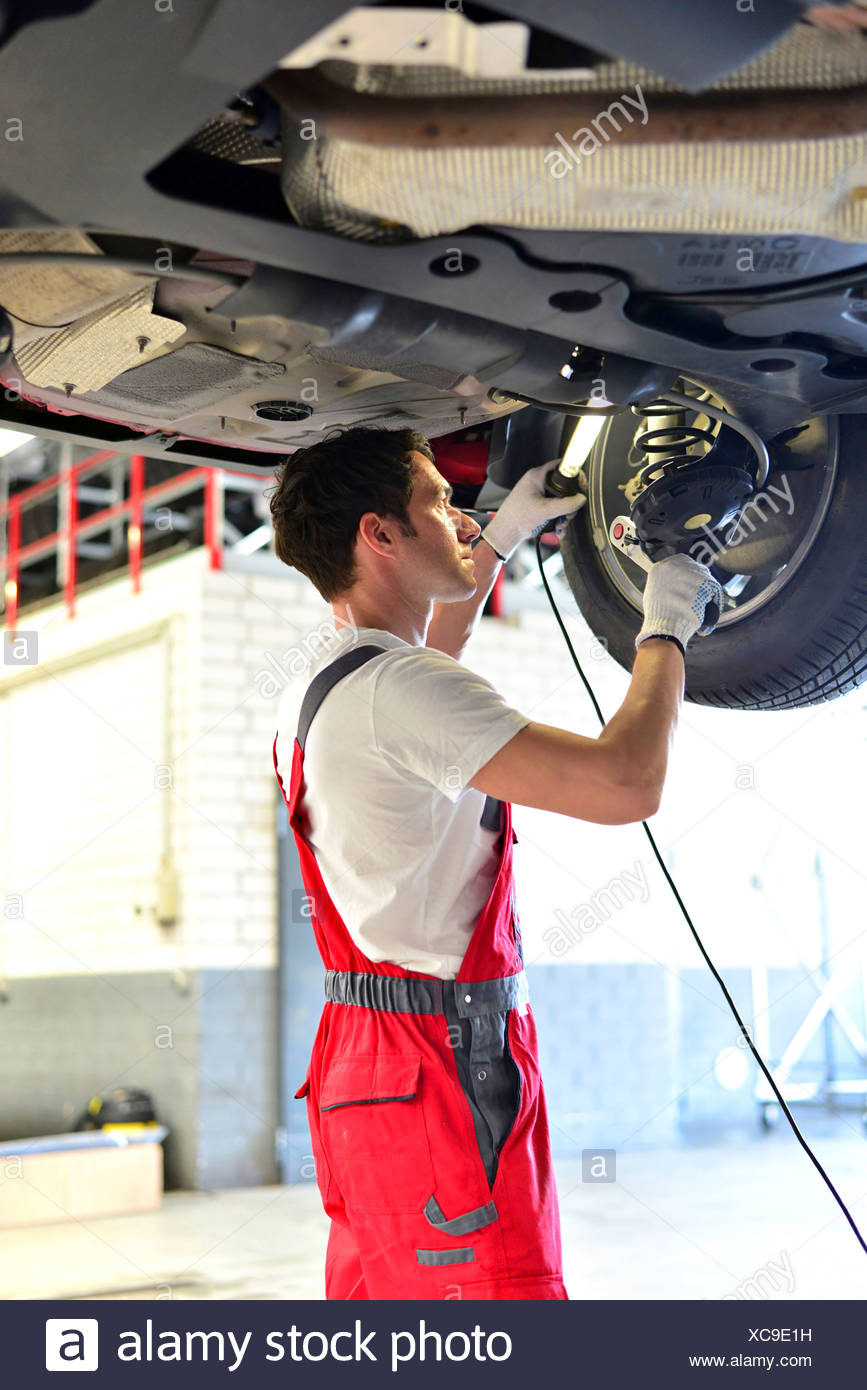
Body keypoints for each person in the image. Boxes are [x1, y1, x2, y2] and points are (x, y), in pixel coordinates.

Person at [268, 425, 722, 1300]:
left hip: (364, 1065)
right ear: (380, 534)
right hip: (443, 1061)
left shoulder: (324, 682)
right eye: (438, 502)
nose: (460, 518)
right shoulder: (400, 690)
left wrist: (506, 536)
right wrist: (667, 622)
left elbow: (429, 669)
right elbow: (625, 783)